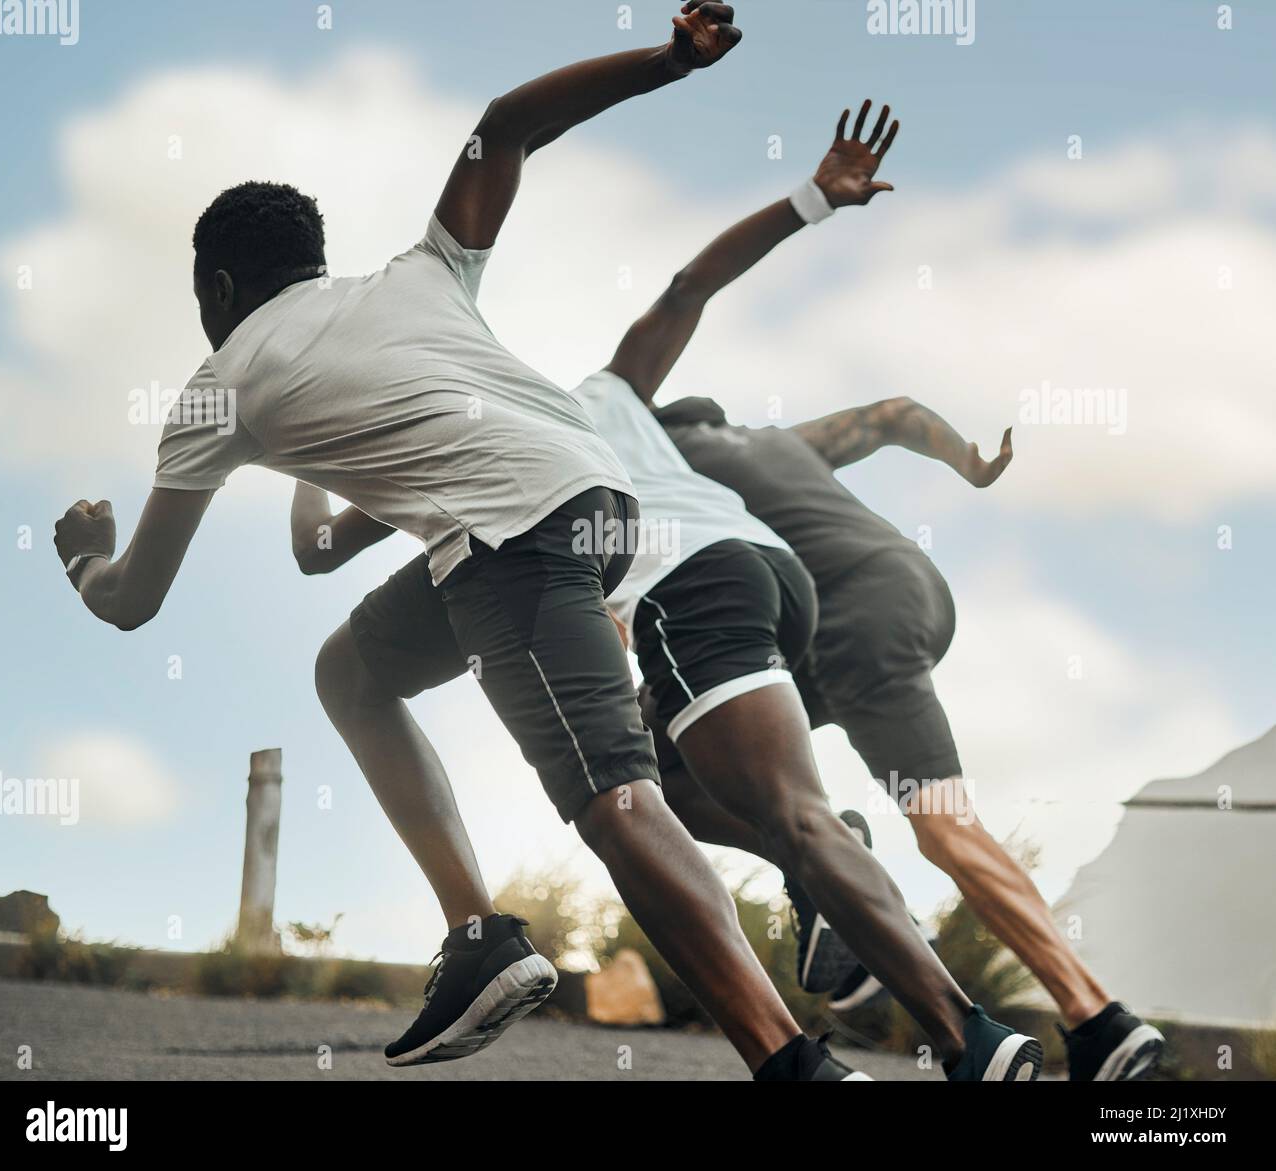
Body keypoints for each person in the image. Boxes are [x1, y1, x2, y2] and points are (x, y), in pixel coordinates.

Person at [54, 5, 876, 1083]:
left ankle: (795, 1065)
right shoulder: (412, 280)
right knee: (350, 669)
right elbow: (507, 126)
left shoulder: (217, 388)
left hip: (512, 540)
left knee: (614, 799)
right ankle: (477, 935)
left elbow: (133, 600)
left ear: (215, 291)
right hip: (593, 505)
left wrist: (82, 551)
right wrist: (670, 60)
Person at [293, 101, 1045, 1082]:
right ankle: (919, 982)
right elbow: (690, 287)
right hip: (768, 572)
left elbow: (321, 545)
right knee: (670, 793)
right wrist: (812, 198)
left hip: (685, 583)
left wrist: (310, 439)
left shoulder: (489, 440)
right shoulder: (613, 393)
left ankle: (959, 1035)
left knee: (748, 811)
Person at [609, 122, 1164, 1082]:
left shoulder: (669, 465)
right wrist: (972, 467)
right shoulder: (774, 441)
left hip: (849, 618)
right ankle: (832, 887)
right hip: (900, 597)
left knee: (930, 817)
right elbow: (896, 414)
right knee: (731, 759)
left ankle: (1096, 1014)